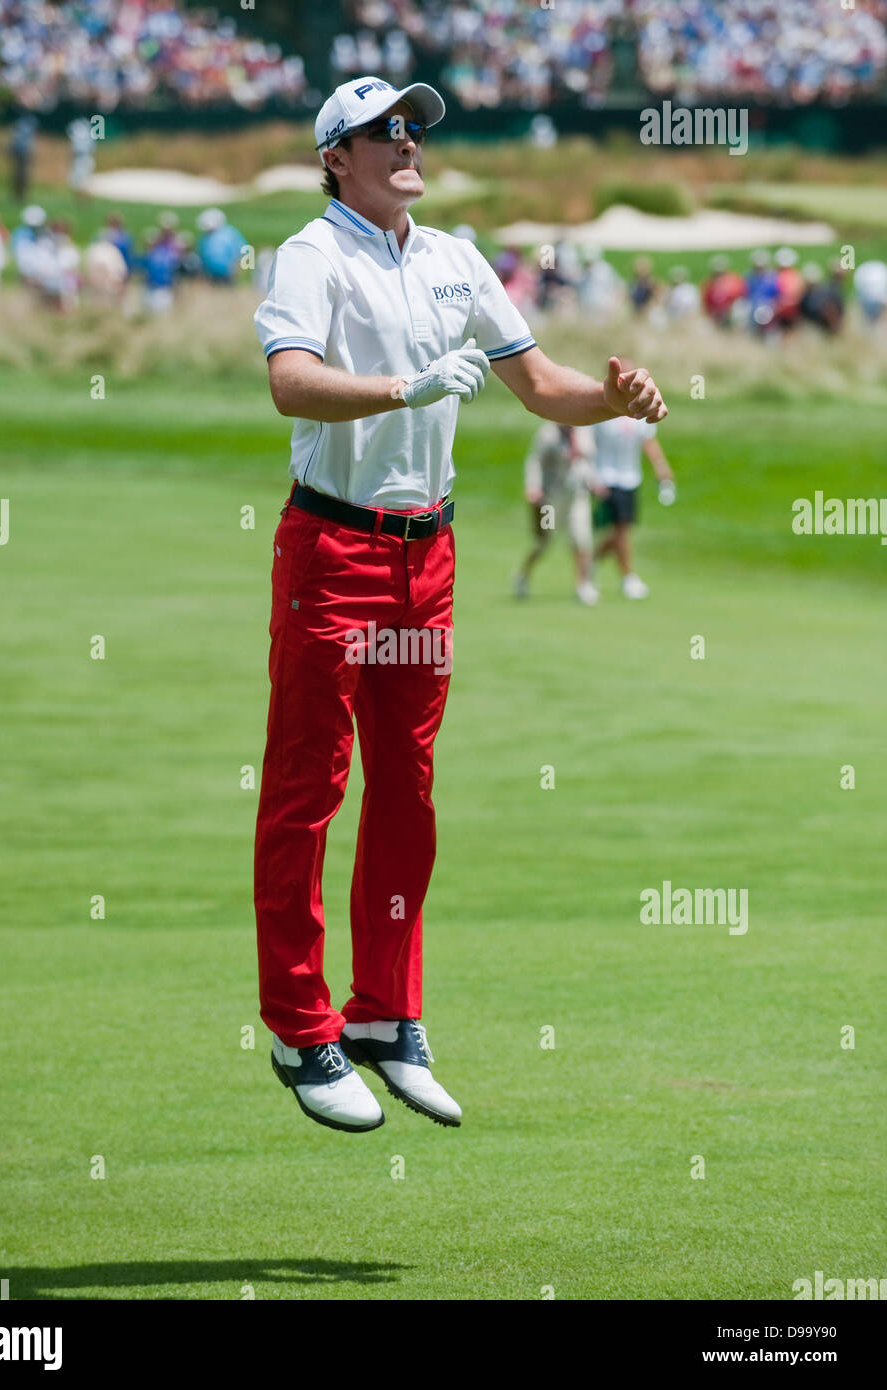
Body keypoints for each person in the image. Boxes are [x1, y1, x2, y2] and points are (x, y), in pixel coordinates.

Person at [251, 74, 667, 1134]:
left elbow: (540, 384)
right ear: (335, 155)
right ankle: (304, 1030)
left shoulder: (452, 256)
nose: (405, 144)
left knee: (408, 790)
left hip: (423, 557)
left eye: (412, 128)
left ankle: (386, 1017)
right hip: (333, 544)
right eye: (380, 132)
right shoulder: (312, 254)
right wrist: (406, 388)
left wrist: (611, 398)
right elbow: (291, 381)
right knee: (308, 788)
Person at [579, 363, 674, 599]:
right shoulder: (603, 410)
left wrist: (661, 467)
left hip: (630, 478)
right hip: (605, 477)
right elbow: (587, 446)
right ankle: (628, 578)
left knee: (620, 531)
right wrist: (591, 477)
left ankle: (590, 565)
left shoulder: (637, 411)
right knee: (621, 531)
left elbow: (648, 442)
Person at [513, 422, 602, 605]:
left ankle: (583, 585)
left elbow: (588, 461)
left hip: (577, 496)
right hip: (550, 499)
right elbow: (535, 461)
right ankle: (522, 575)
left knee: (581, 539)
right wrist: (533, 487)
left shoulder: (584, 431)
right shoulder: (548, 434)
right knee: (544, 541)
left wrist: (594, 482)